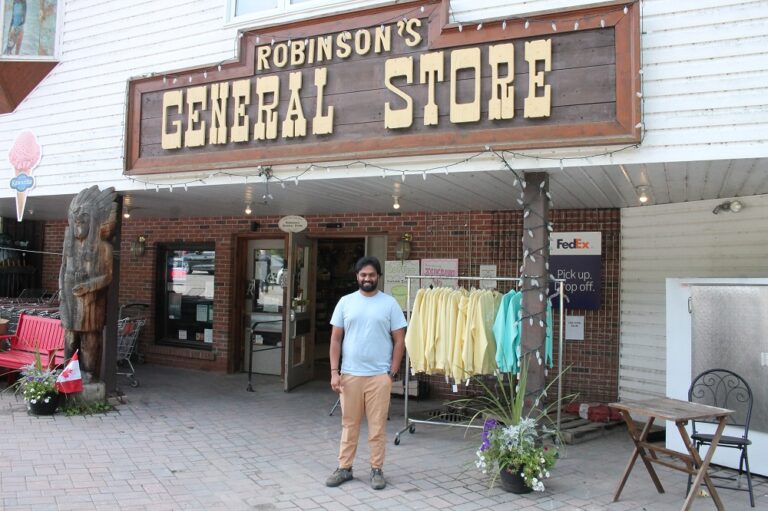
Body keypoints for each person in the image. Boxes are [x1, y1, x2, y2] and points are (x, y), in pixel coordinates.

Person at [326, 256, 406, 490]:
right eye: (363, 275)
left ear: (378, 277)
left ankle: (376, 469)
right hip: (349, 375)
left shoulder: (389, 304)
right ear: (357, 277)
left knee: (377, 426)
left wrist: (391, 372)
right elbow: (335, 339)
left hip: (379, 377)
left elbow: (400, 340)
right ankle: (344, 468)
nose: (367, 278)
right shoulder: (345, 302)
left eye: (371, 275)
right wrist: (334, 371)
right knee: (349, 424)